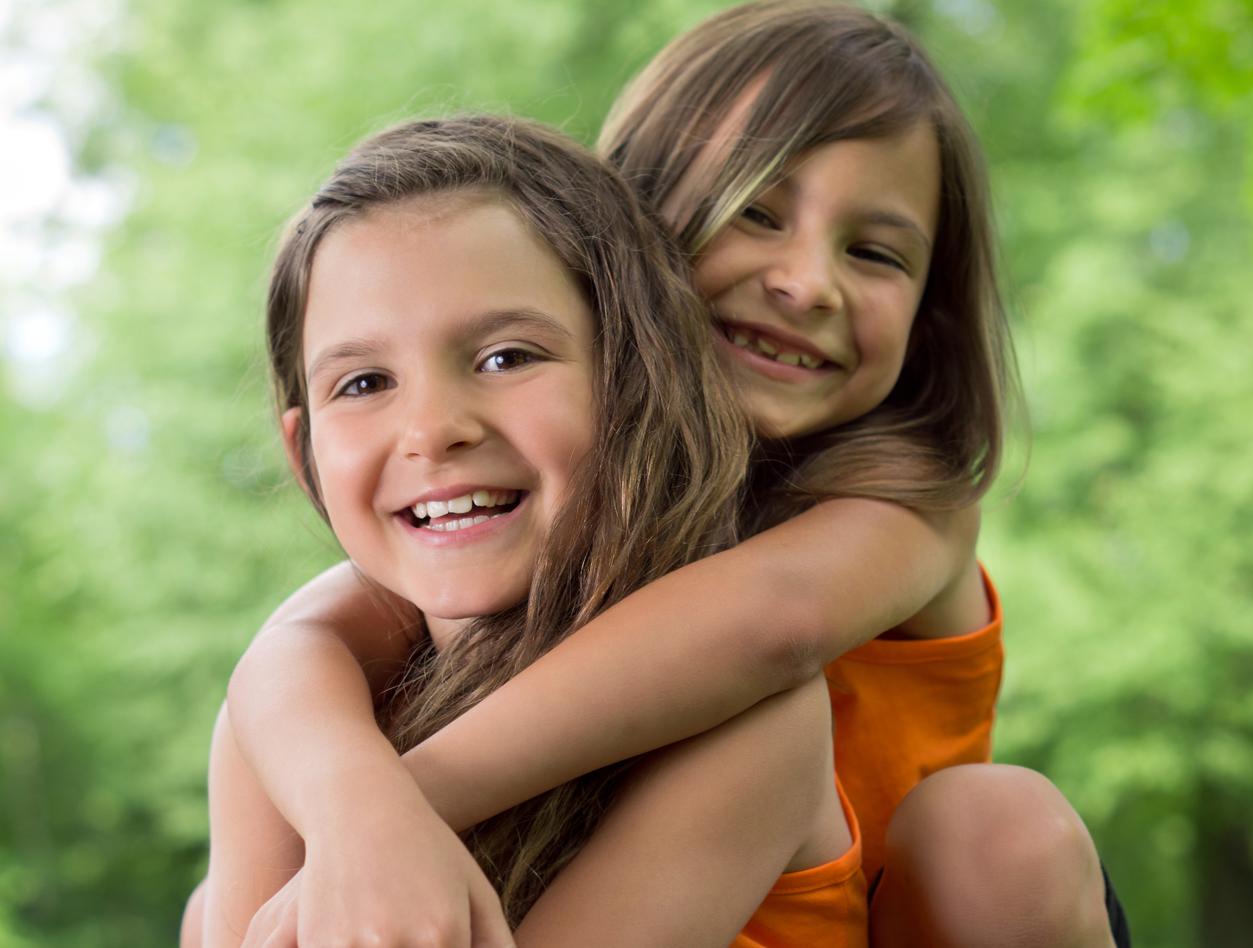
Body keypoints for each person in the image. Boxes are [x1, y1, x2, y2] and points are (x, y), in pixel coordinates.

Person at [205, 1, 1128, 945]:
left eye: (875, 253)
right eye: (756, 212)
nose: (809, 283)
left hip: (893, 914)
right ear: (623, 250)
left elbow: (772, 625)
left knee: (998, 828)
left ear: (929, 312)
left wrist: (391, 813)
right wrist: (345, 801)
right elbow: (292, 650)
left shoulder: (909, 503)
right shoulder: (522, 516)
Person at [188, 114, 867, 947]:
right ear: (306, 457)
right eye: (364, 381)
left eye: (507, 357)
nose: (432, 430)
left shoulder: (750, 721)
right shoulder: (293, 726)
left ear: (637, 382)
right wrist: (353, 808)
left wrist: (378, 817)